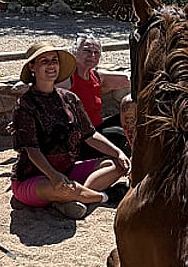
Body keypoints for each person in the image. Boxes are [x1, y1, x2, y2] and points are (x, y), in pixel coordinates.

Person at [10, 43, 131, 220]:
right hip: (34, 177)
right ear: (32, 67)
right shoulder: (25, 105)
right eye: (45, 61)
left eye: (54, 61)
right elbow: (32, 150)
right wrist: (54, 176)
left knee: (115, 165)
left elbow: (89, 134)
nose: (51, 66)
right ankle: (104, 196)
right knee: (58, 188)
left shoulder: (70, 98)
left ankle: (77, 198)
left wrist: (118, 153)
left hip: (67, 170)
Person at [61, 32, 132, 156]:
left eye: (96, 52)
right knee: (119, 134)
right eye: (87, 51)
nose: (92, 55)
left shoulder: (96, 76)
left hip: (97, 127)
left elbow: (127, 79)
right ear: (74, 52)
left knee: (129, 119)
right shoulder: (68, 78)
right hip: (82, 136)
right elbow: (45, 88)